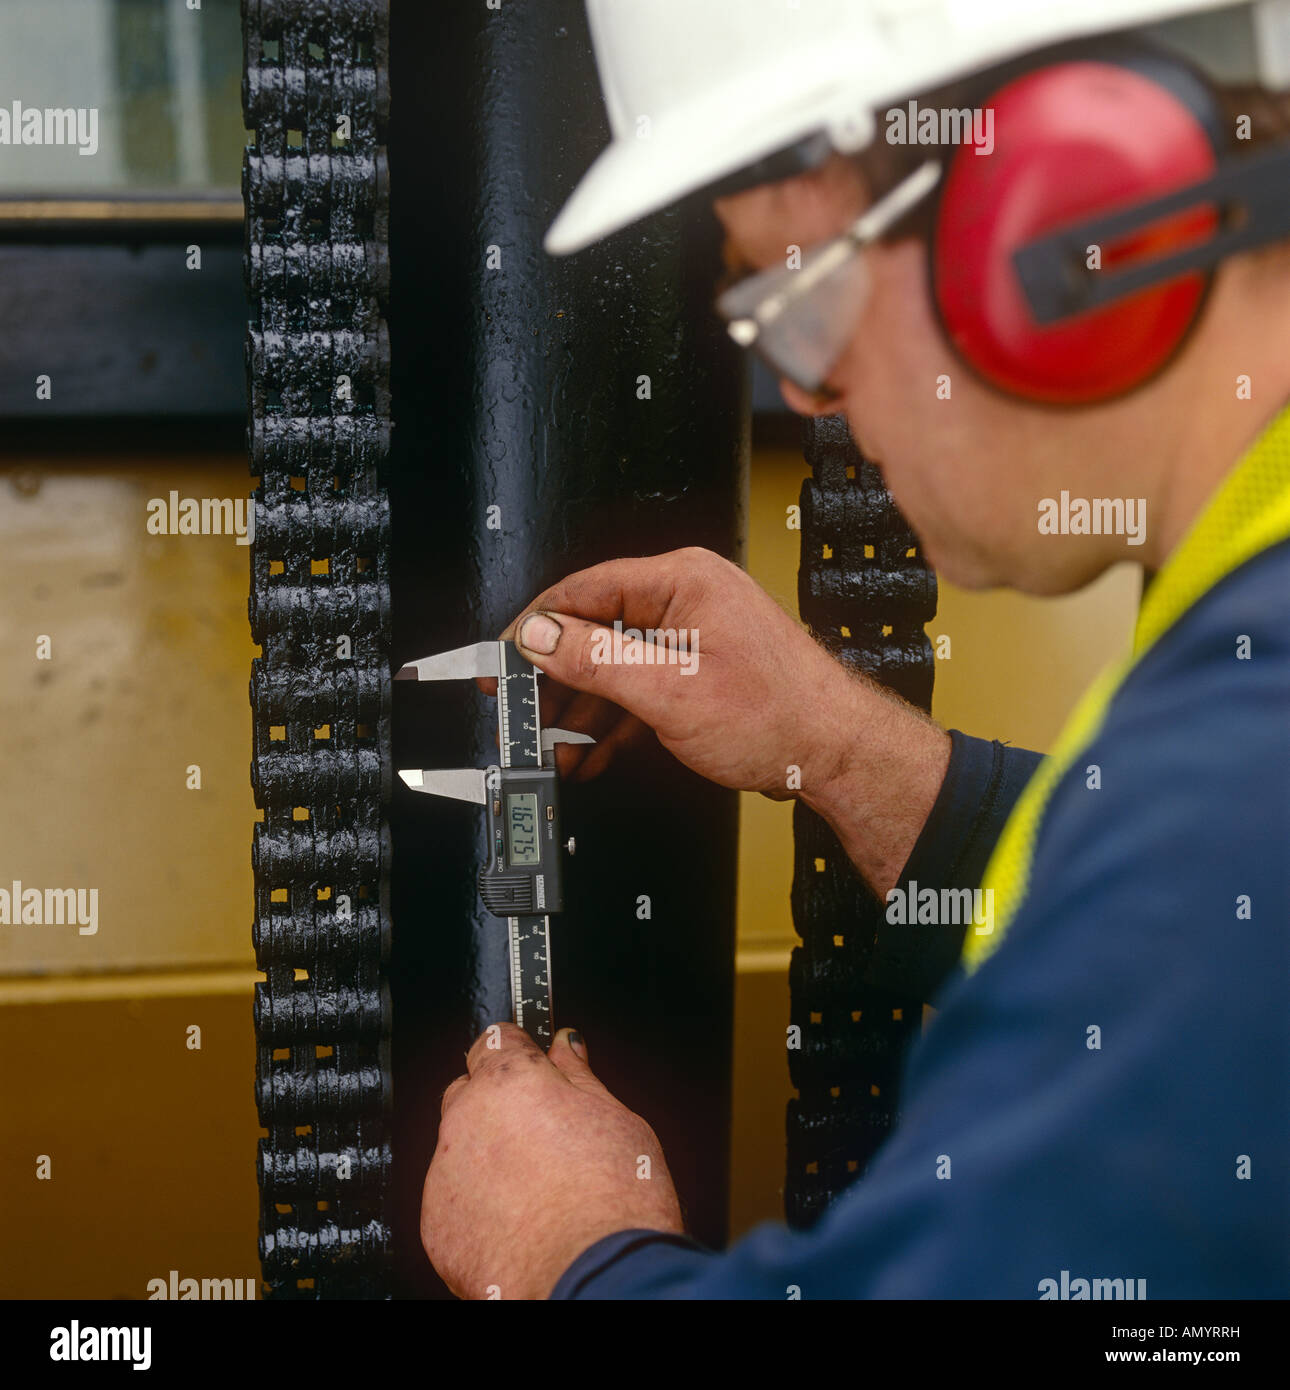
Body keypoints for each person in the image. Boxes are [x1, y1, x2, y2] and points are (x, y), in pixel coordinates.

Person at [420, 0, 1290, 1299]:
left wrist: (565, 1249)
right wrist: (832, 744)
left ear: (1062, 216)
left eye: (801, 307)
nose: (805, 395)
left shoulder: (1234, 780)